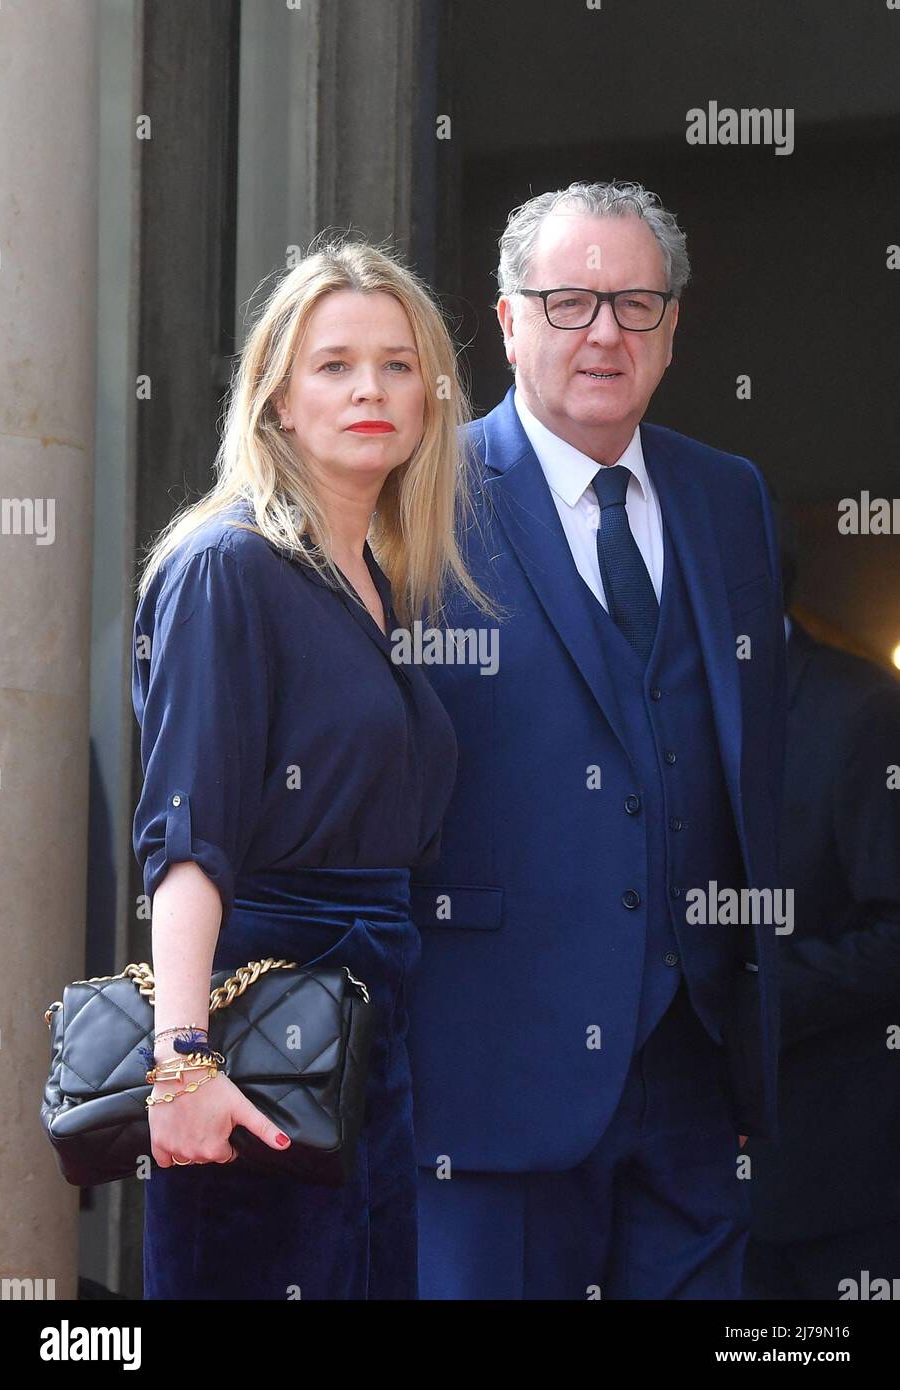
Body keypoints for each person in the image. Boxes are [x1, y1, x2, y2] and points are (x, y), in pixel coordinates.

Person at [406, 179, 789, 1299]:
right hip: (494, 1077)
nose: (605, 333)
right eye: (569, 303)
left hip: (696, 1076)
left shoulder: (729, 497)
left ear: (672, 327)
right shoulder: (422, 495)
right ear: (508, 319)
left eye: (635, 304)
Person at [131, 236, 493, 1300]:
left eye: (396, 365)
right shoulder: (226, 564)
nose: (370, 389)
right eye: (334, 365)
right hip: (255, 1039)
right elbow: (188, 838)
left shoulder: (375, 580)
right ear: (278, 401)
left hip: (364, 1037)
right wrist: (181, 1061)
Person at [743, 544, 900, 1298]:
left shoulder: (863, 710)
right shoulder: (661, 707)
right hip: (681, 1181)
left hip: (830, 1175)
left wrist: (748, 1004)